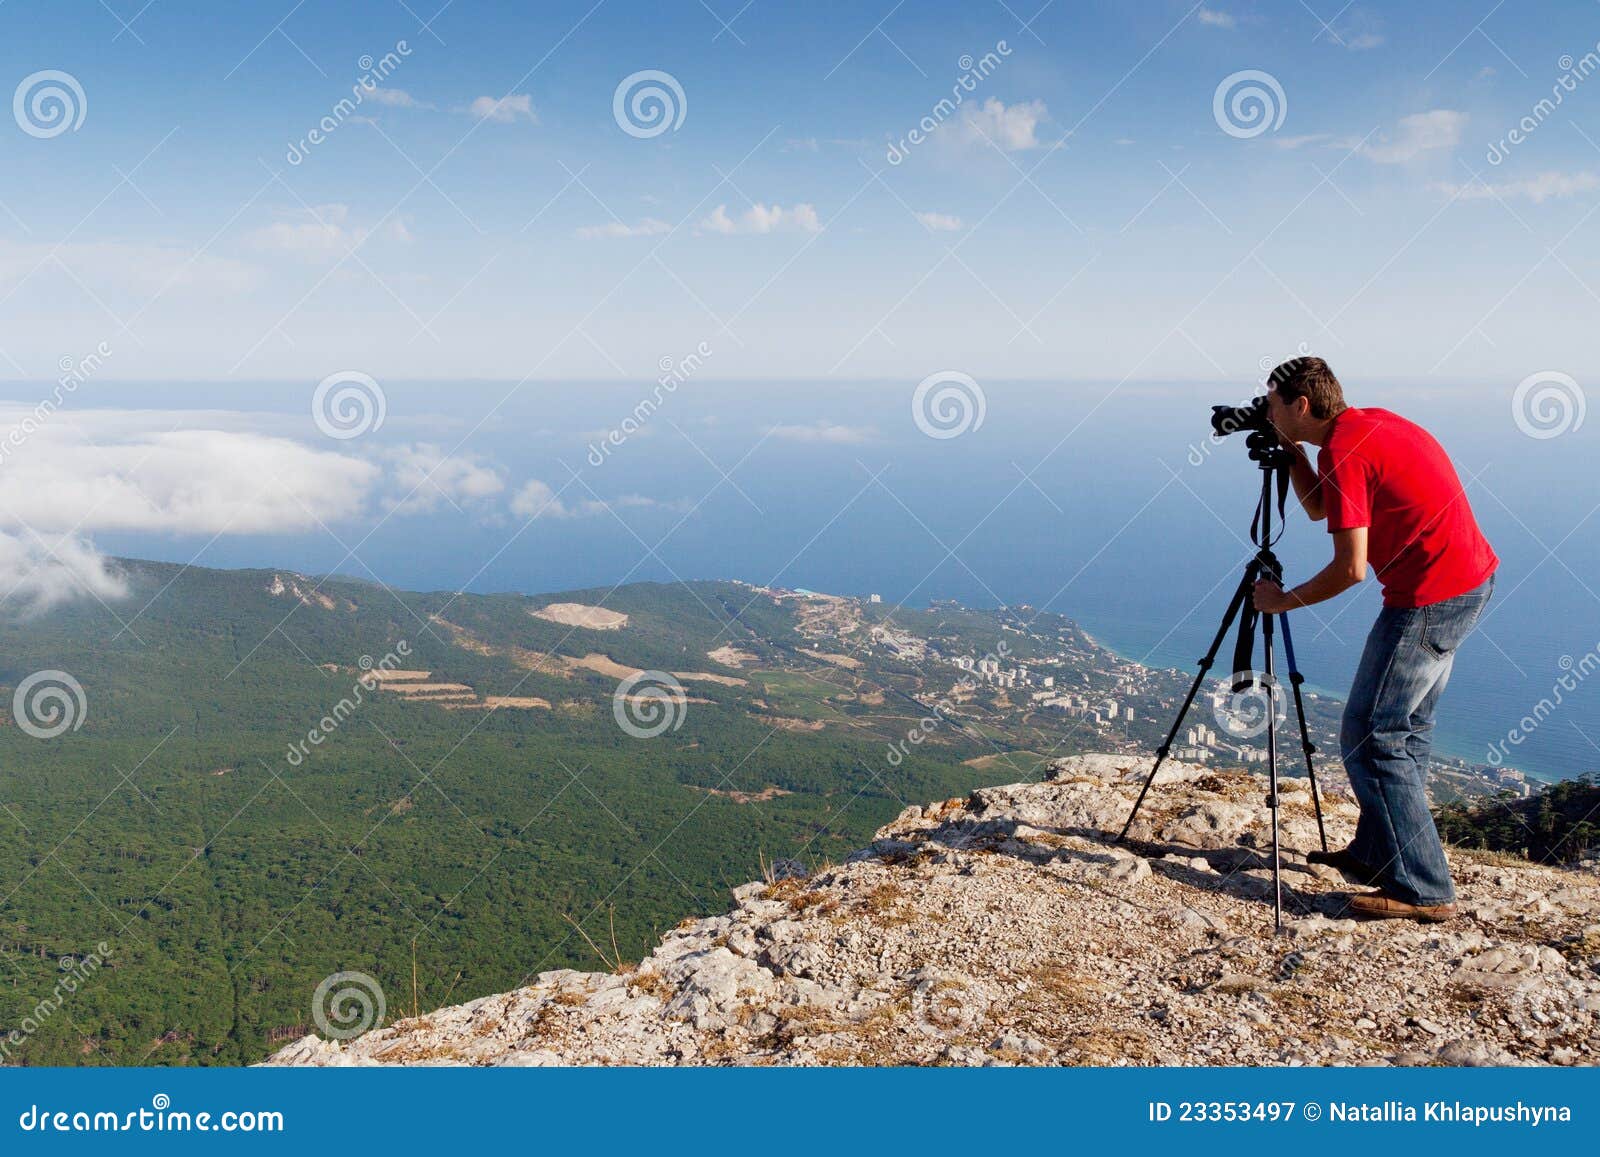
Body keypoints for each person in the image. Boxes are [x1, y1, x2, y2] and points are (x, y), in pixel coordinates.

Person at [1251, 357, 1497, 923]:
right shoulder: (1366, 426)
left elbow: (1351, 568)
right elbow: (1321, 509)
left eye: (1271, 404)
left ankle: (1424, 890)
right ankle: (1377, 852)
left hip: (1428, 600)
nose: (1267, 413)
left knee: (1370, 735)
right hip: (1468, 581)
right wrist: (1292, 455)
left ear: (1301, 406)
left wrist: (1283, 601)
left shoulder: (1344, 448)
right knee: (1405, 730)